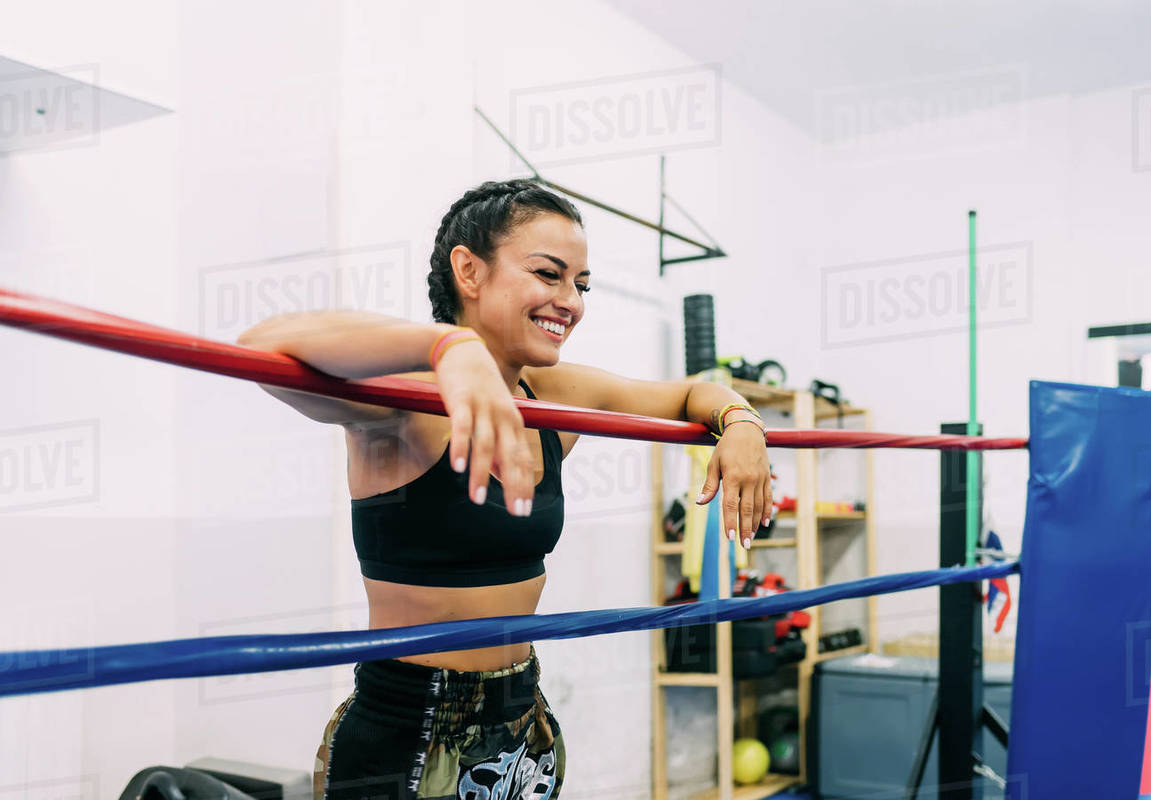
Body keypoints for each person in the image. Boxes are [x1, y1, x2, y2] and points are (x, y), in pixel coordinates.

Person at [236, 179, 773, 800]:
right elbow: (260, 344)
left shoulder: (553, 397)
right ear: (469, 270)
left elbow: (687, 394)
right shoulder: (401, 402)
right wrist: (445, 344)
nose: (570, 301)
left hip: (522, 716)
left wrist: (740, 421)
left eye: (582, 283)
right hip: (414, 726)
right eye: (549, 274)